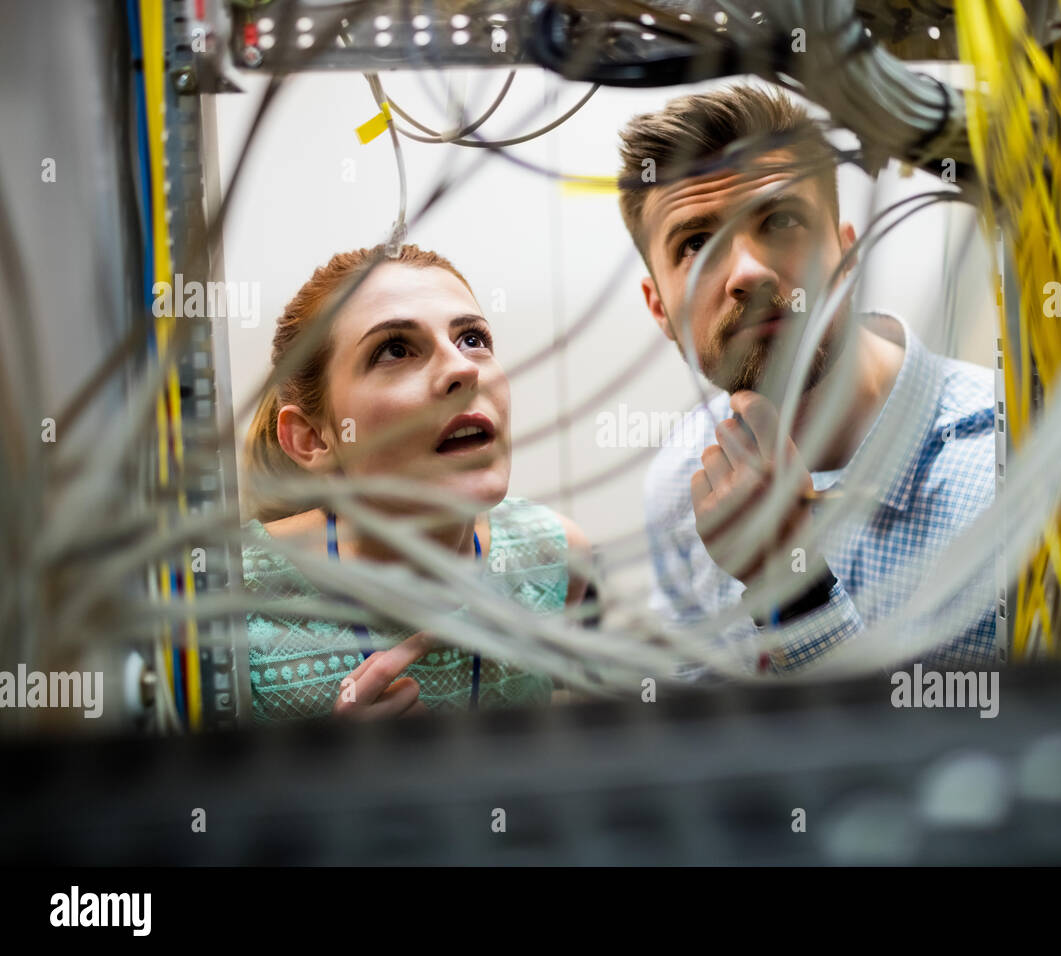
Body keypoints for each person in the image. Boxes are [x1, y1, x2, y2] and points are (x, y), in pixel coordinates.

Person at [615, 84, 997, 676]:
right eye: (696, 243)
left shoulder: (1004, 466)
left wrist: (791, 589)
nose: (748, 272)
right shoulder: (678, 482)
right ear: (660, 308)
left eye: (783, 219)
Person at [241, 244, 589, 722]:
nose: (464, 369)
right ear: (311, 439)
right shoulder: (227, 601)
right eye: (395, 349)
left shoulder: (554, 558)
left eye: (471, 339)